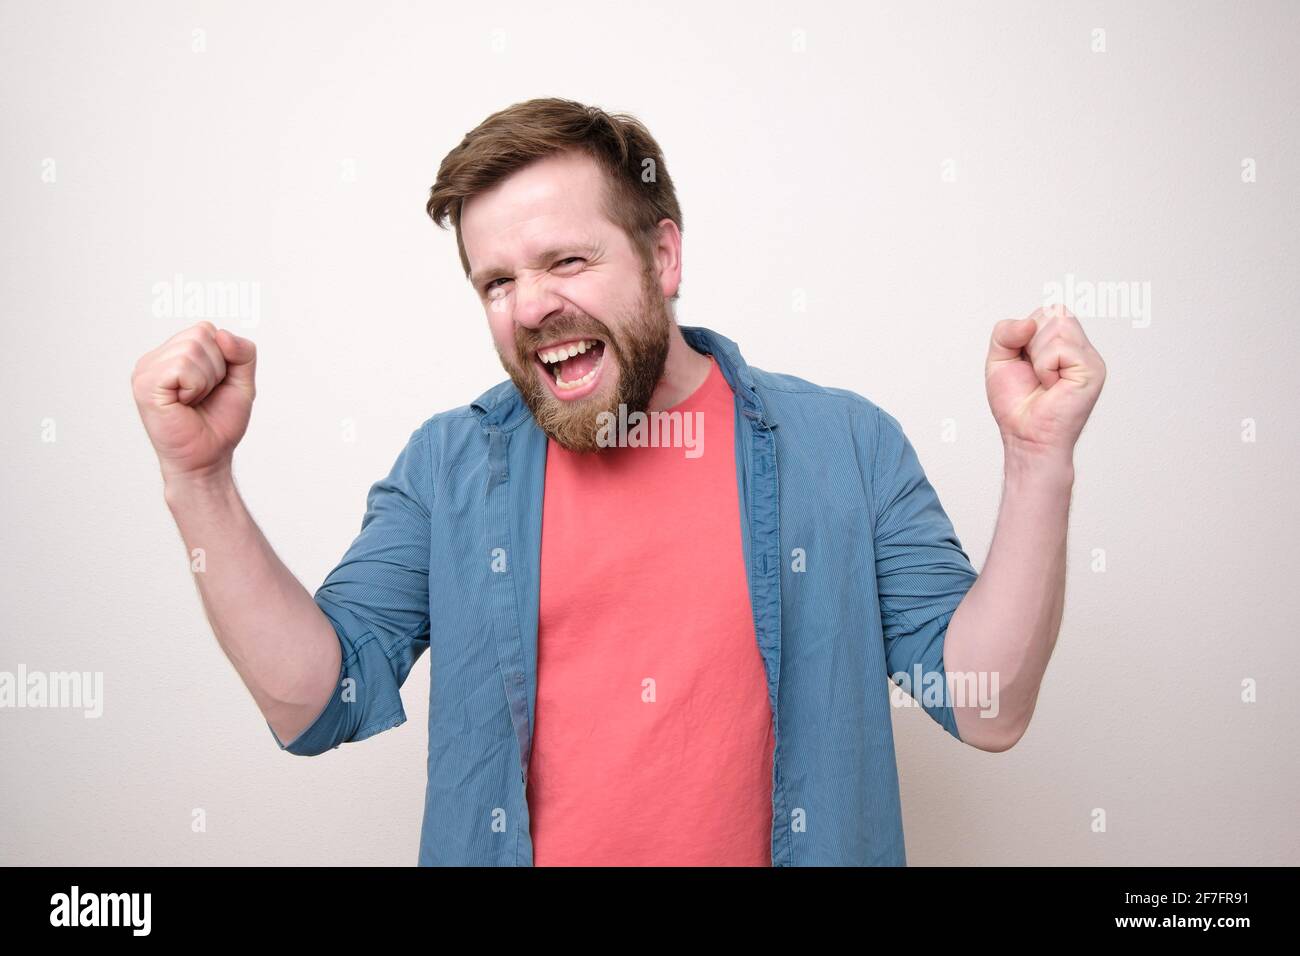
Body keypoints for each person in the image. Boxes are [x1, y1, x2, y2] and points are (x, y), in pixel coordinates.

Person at [130, 97, 1106, 866]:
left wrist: (1036, 460)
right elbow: (316, 700)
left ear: (663, 253)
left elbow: (986, 706)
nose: (531, 306)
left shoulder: (843, 445)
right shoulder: (447, 466)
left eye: (566, 259)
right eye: (496, 281)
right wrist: (199, 476)